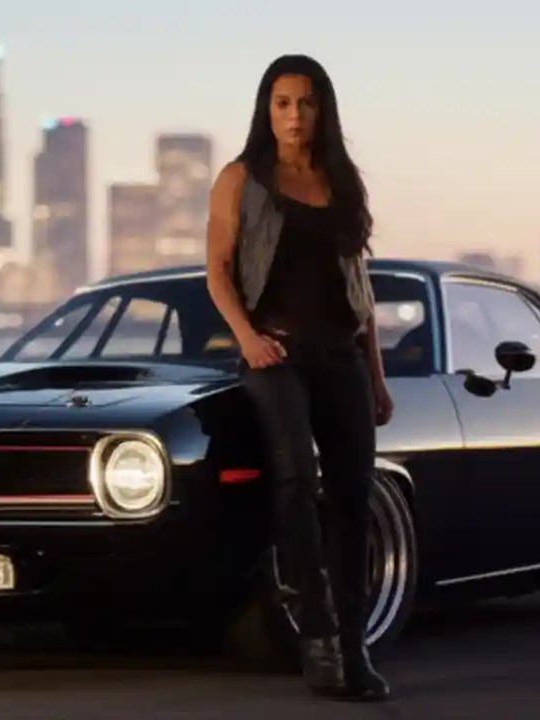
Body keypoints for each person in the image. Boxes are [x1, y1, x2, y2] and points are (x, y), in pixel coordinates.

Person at [205, 53, 394, 702]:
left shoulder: (343, 184)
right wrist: (249, 339)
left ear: (322, 111)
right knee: (294, 481)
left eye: (305, 103)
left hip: (340, 356)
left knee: (352, 496)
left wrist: (377, 376)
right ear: (266, 109)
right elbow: (218, 272)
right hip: (275, 357)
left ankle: (353, 645)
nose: (293, 115)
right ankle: (316, 634)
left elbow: (360, 293)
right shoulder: (240, 179)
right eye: (281, 103)